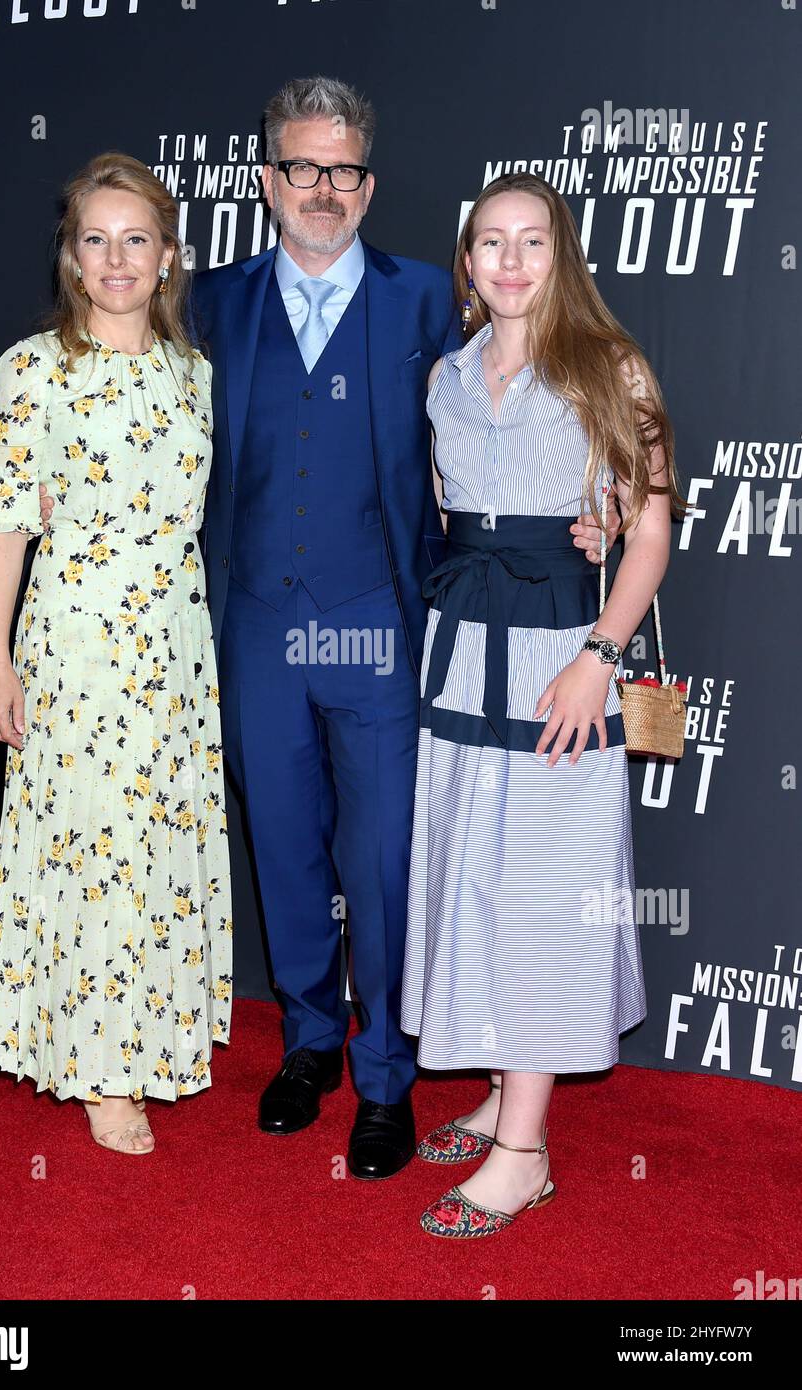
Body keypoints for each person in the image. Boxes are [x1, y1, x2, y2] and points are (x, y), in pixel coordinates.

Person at [183, 80, 619, 1180]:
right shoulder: (213, 302)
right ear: (267, 178)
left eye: (342, 171)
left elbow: (541, 392)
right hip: (257, 625)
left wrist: (601, 503)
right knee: (281, 849)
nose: (321, 190)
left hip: (384, 627)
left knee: (380, 864)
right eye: (300, 168)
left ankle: (384, 1078)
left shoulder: (430, 298)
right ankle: (310, 1044)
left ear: (368, 185)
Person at [402, 172, 687, 1236]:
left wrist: (597, 654)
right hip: (459, 647)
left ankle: (524, 1150)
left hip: (562, 661)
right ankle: (499, 1087)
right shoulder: (447, 373)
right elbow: (452, 513)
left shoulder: (609, 367)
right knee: (468, 870)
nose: (511, 262)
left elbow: (649, 530)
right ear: (467, 260)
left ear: (561, 255)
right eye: (490, 243)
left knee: (538, 886)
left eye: (532, 242)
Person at [0, 152, 233, 1154]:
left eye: (137, 240)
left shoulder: (192, 374)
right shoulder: (32, 371)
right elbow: (3, 528)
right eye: (97, 240)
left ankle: (150, 1036)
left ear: (168, 256)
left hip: (172, 645)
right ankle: (98, 1069)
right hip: (75, 644)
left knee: (154, 850)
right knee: (94, 849)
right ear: (72, 259)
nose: (117, 259)